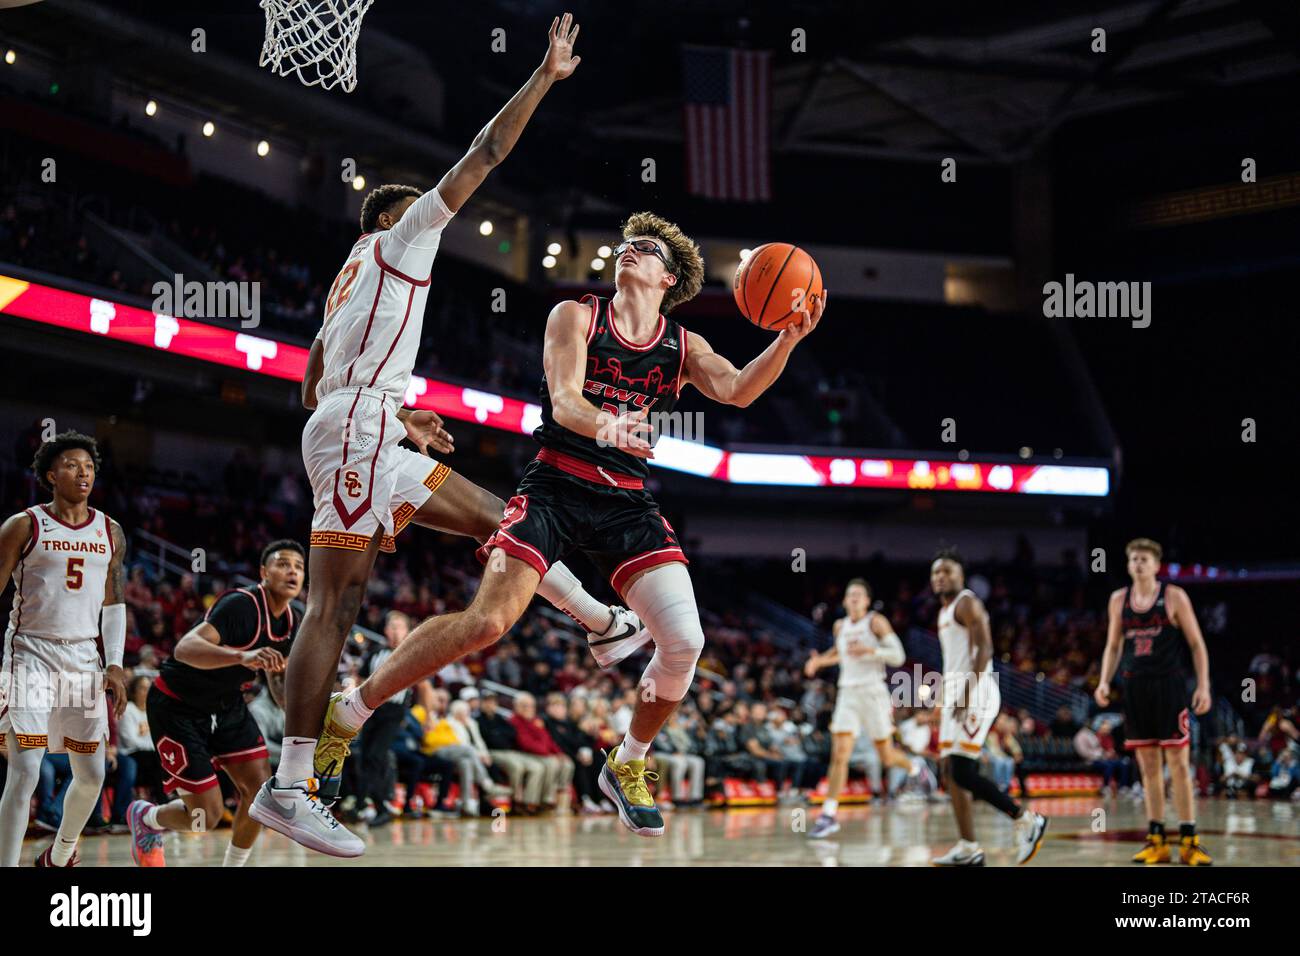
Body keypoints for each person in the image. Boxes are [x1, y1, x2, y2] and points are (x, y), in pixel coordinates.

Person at [309, 203, 825, 848]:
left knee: (686, 642)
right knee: (488, 623)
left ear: (669, 280)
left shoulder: (684, 345)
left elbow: (741, 390)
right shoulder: (576, 314)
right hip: (554, 485)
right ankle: (348, 713)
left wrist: (788, 339)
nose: (630, 249)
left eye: (648, 249)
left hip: (626, 504)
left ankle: (629, 760)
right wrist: (613, 427)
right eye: (628, 242)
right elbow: (565, 401)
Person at [249, 15, 638, 857]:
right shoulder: (401, 234)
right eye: (427, 207)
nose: (442, 214)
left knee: (499, 517)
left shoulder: (344, 282)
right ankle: (286, 789)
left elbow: (313, 378)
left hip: (363, 427)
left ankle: (598, 618)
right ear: (394, 216)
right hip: (358, 430)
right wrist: (543, 77)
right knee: (335, 603)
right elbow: (484, 155)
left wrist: (388, 413)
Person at [126, 540, 304, 867]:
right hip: (177, 706)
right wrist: (242, 656)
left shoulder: (295, 621)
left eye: (298, 566)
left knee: (260, 794)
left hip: (227, 707)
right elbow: (184, 648)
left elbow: (278, 677)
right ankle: (148, 817)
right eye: (283, 563)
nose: (292, 570)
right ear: (264, 572)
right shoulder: (241, 605)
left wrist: (299, 722)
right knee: (204, 816)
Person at [0, 432, 127, 867]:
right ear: (51, 475)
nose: (84, 472)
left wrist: (115, 665)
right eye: (73, 465)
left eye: (89, 466)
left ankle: (59, 855)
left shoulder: (110, 530)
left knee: (92, 776)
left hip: (82, 660)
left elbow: (114, 603)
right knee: (25, 770)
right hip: (30, 654)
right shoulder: (23, 524)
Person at [1095, 537, 1212, 865]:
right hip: (1135, 690)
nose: (1138, 563)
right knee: (1148, 768)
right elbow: (1113, 646)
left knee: (1178, 765)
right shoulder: (1119, 600)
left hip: (1169, 688)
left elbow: (1197, 644)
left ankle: (1189, 840)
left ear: (1156, 564)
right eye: (1133, 559)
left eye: (1145, 558)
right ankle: (1157, 839)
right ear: (1128, 564)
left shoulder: (1173, 596)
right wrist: (1104, 680)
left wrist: (1203, 686)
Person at [929, 550, 1048, 866]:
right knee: (949, 771)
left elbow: (986, 648)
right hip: (958, 690)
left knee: (961, 770)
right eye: (936, 572)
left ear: (961, 576)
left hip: (976, 689)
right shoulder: (944, 611)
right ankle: (968, 847)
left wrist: (967, 692)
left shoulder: (967, 602)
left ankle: (1025, 819)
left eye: (947, 571)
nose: (941, 577)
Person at [804, 578, 917, 838]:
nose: (854, 598)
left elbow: (898, 656)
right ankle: (828, 815)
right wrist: (820, 661)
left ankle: (914, 768)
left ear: (867, 601)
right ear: (844, 601)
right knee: (839, 755)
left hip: (873, 692)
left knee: (887, 757)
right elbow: (841, 651)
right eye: (850, 594)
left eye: (859, 594)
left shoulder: (875, 622)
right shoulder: (839, 626)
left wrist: (872, 650)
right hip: (848, 694)